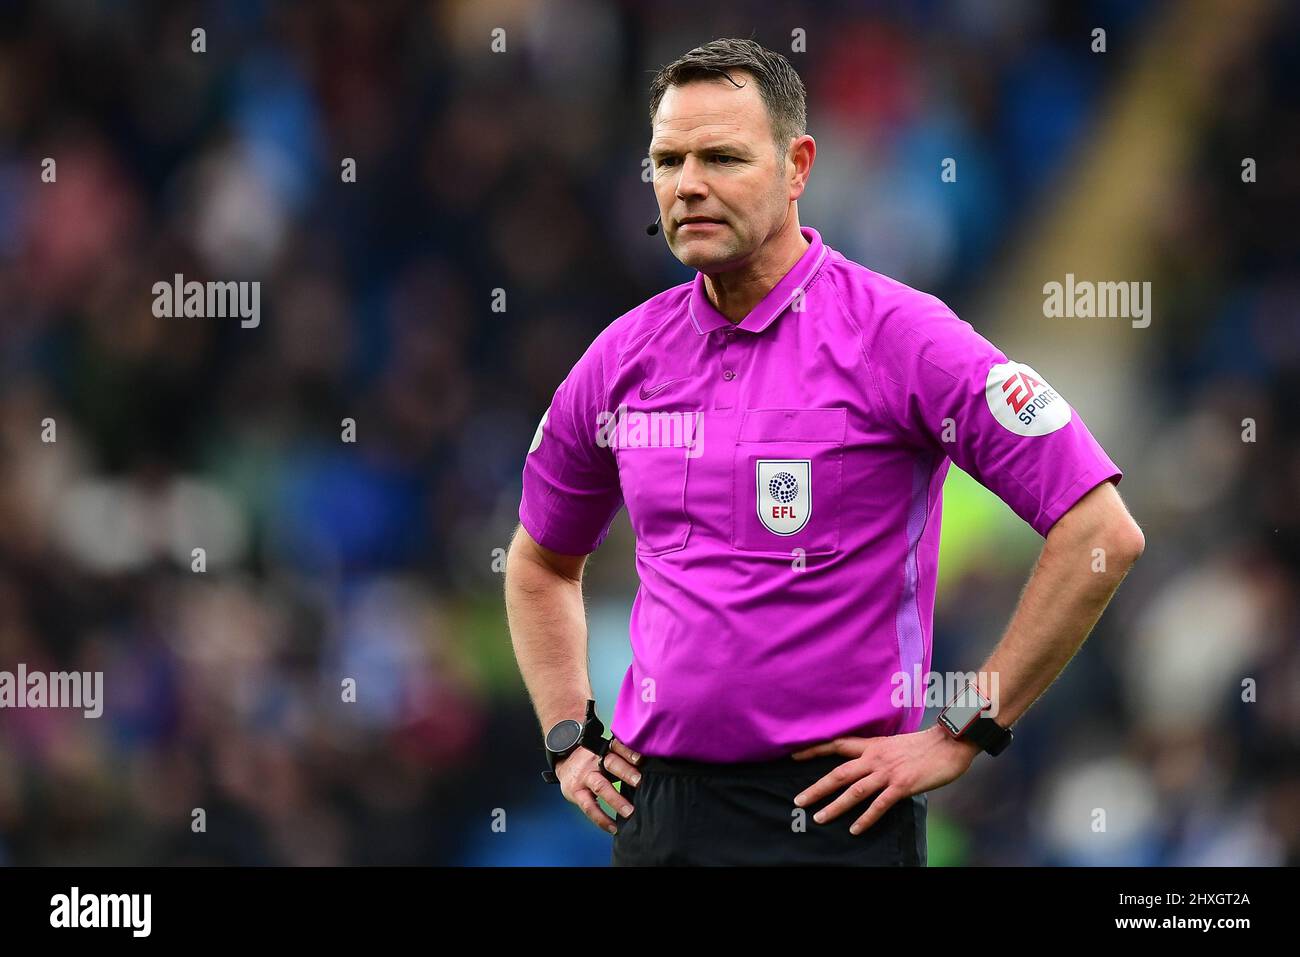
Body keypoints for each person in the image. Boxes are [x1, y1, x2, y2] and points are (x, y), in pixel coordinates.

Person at [504, 38, 1144, 866]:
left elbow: (1101, 531)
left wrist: (966, 727)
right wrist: (568, 732)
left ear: (797, 166)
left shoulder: (901, 336)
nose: (688, 183)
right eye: (668, 161)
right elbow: (540, 563)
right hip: (657, 815)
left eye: (722, 157)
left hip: (833, 815)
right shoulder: (622, 358)